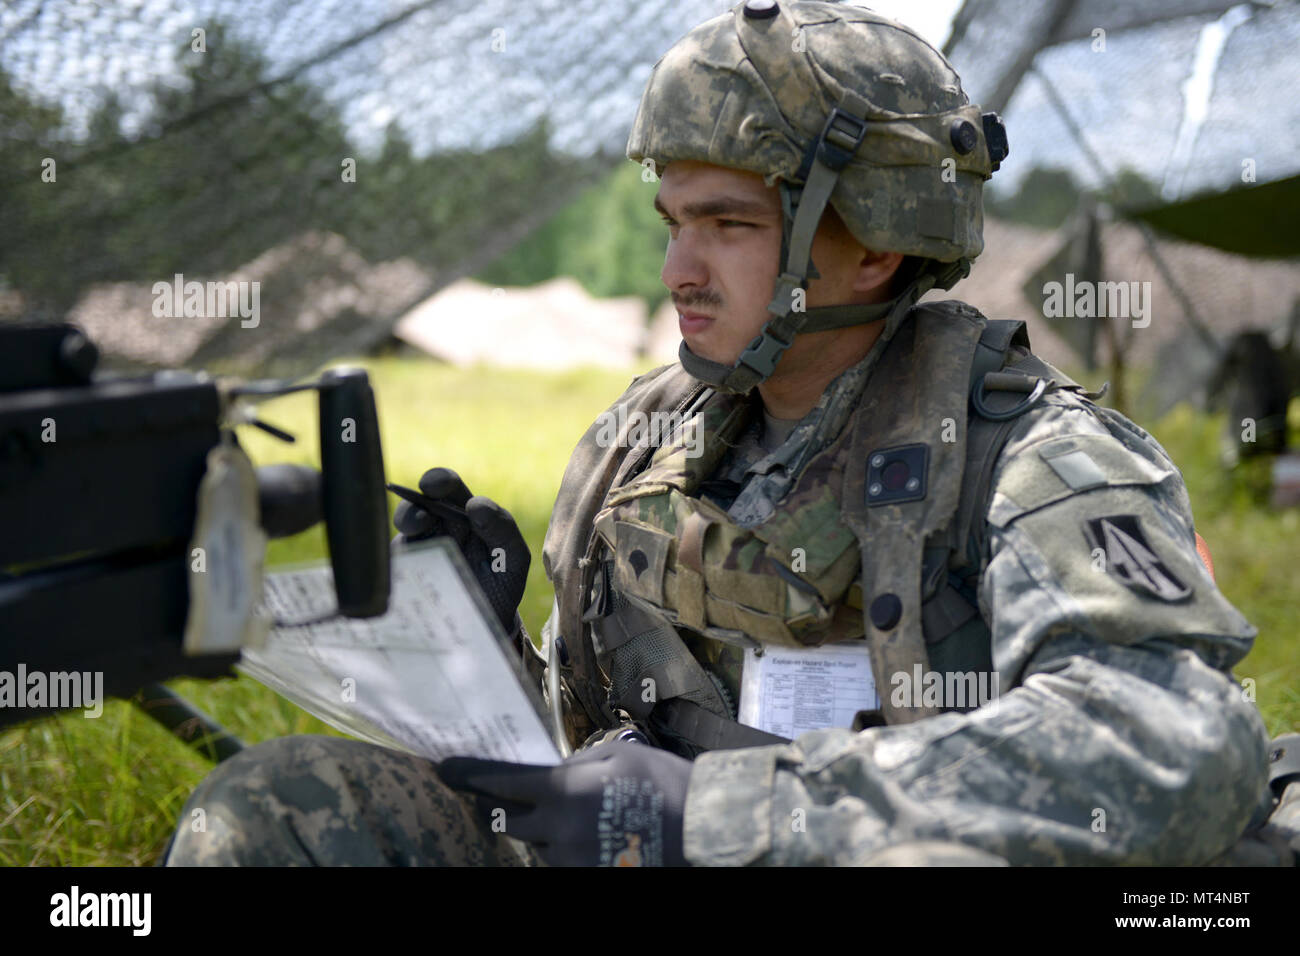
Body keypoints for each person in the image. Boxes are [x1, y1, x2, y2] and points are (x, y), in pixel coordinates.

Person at [164, 0, 1298, 867]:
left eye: (727, 225)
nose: (676, 272)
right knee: (267, 814)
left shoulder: (1030, 457)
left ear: (875, 244)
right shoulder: (642, 442)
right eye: (672, 221)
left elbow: (1171, 744)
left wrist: (719, 816)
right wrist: (483, 643)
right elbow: (579, 767)